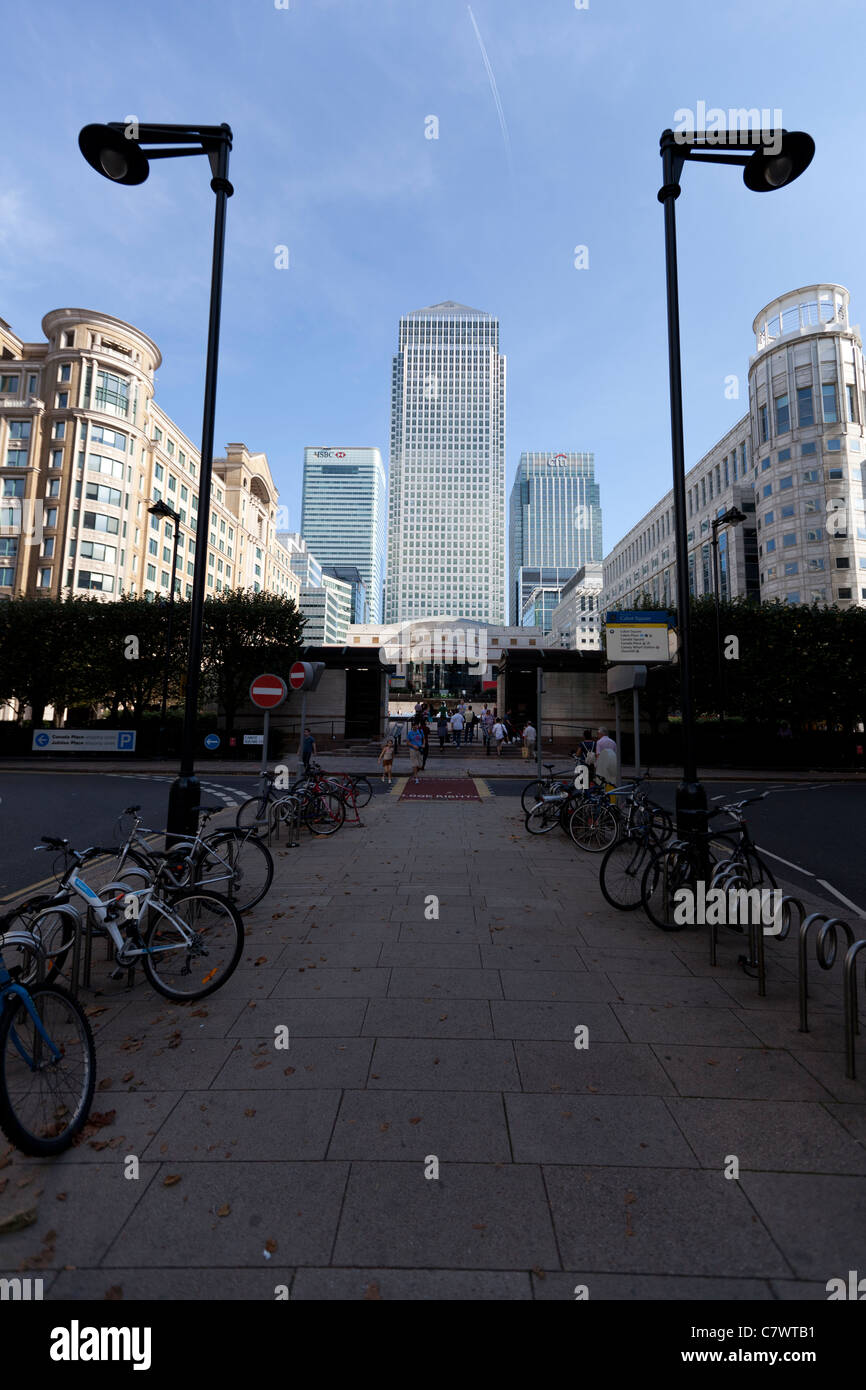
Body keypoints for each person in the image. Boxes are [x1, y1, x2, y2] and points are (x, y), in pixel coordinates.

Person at [593, 727, 618, 791]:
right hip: (611, 765)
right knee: (611, 782)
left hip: (602, 766)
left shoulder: (599, 742)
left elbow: (598, 755)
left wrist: (596, 765)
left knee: (600, 783)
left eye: (598, 734)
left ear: (601, 734)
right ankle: (611, 797)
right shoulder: (613, 742)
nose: (597, 735)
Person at [406, 719, 425, 784]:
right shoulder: (410, 733)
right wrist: (413, 746)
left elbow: (423, 738)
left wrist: (423, 744)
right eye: (414, 726)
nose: (415, 727)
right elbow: (407, 742)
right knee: (414, 764)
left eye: (416, 725)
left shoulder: (420, 731)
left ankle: (415, 772)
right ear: (412, 726)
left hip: (419, 749)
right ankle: (416, 777)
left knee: (420, 765)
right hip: (412, 750)